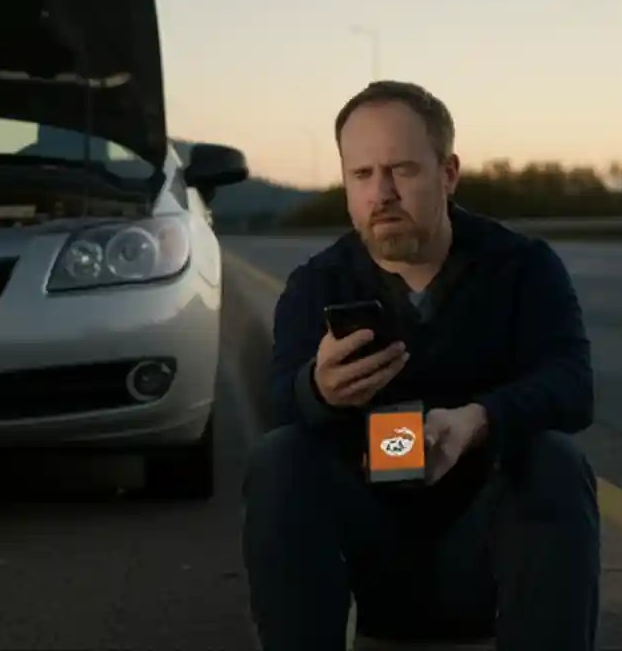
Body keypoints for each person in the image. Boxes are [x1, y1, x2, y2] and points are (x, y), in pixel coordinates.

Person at [241, 81, 601, 651]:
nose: (381, 193)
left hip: (486, 549)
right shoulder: (318, 284)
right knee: (278, 458)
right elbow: (281, 404)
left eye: (402, 170)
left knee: (555, 459)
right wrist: (319, 389)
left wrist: (476, 420)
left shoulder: (521, 267)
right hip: (371, 553)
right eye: (362, 176)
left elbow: (574, 386)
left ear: (448, 173)